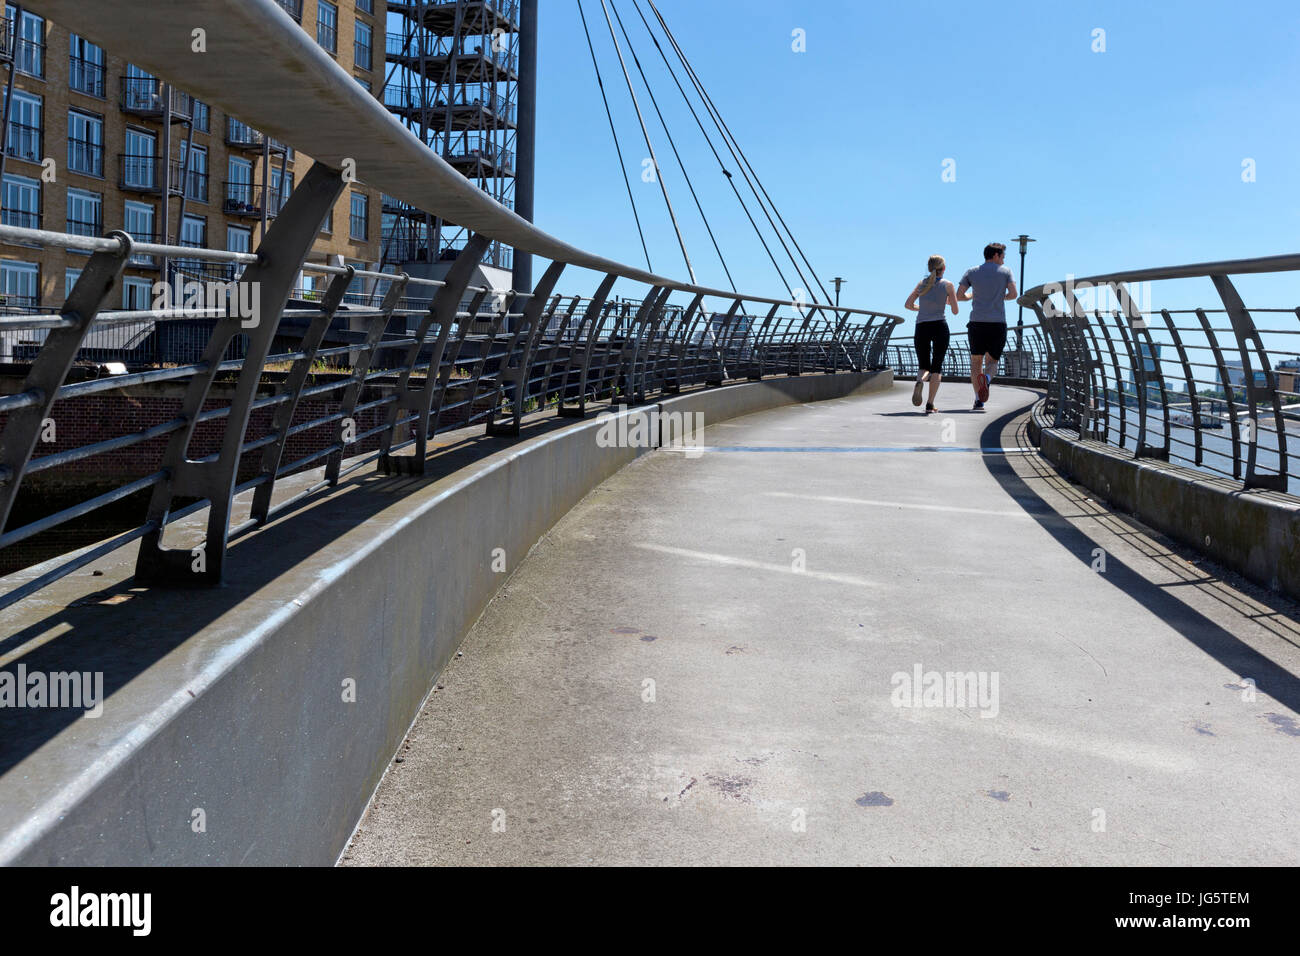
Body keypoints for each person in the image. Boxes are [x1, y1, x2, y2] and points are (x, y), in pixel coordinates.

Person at [956, 242, 1018, 411]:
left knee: (976, 362)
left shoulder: (972, 271)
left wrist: (972, 296)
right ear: (996, 255)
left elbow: (959, 296)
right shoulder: (1006, 272)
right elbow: (1013, 294)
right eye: (1003, 257)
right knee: (993, 361)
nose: (1003, 261)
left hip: (977, 323)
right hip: (997, 323)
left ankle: (978, 400)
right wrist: (998, 297)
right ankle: (988, 379)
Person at [904, 254, 959, 414]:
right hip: (939, 326)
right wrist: (948, 302)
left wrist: (922, 308)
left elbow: (908, 305)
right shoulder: (948, 285)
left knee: (923, 365)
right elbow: (955, 311)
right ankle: (930, 404)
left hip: (921, 326)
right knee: (937, 367)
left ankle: (920, 381)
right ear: (944, 268)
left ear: (929, 268)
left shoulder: (921, 284)